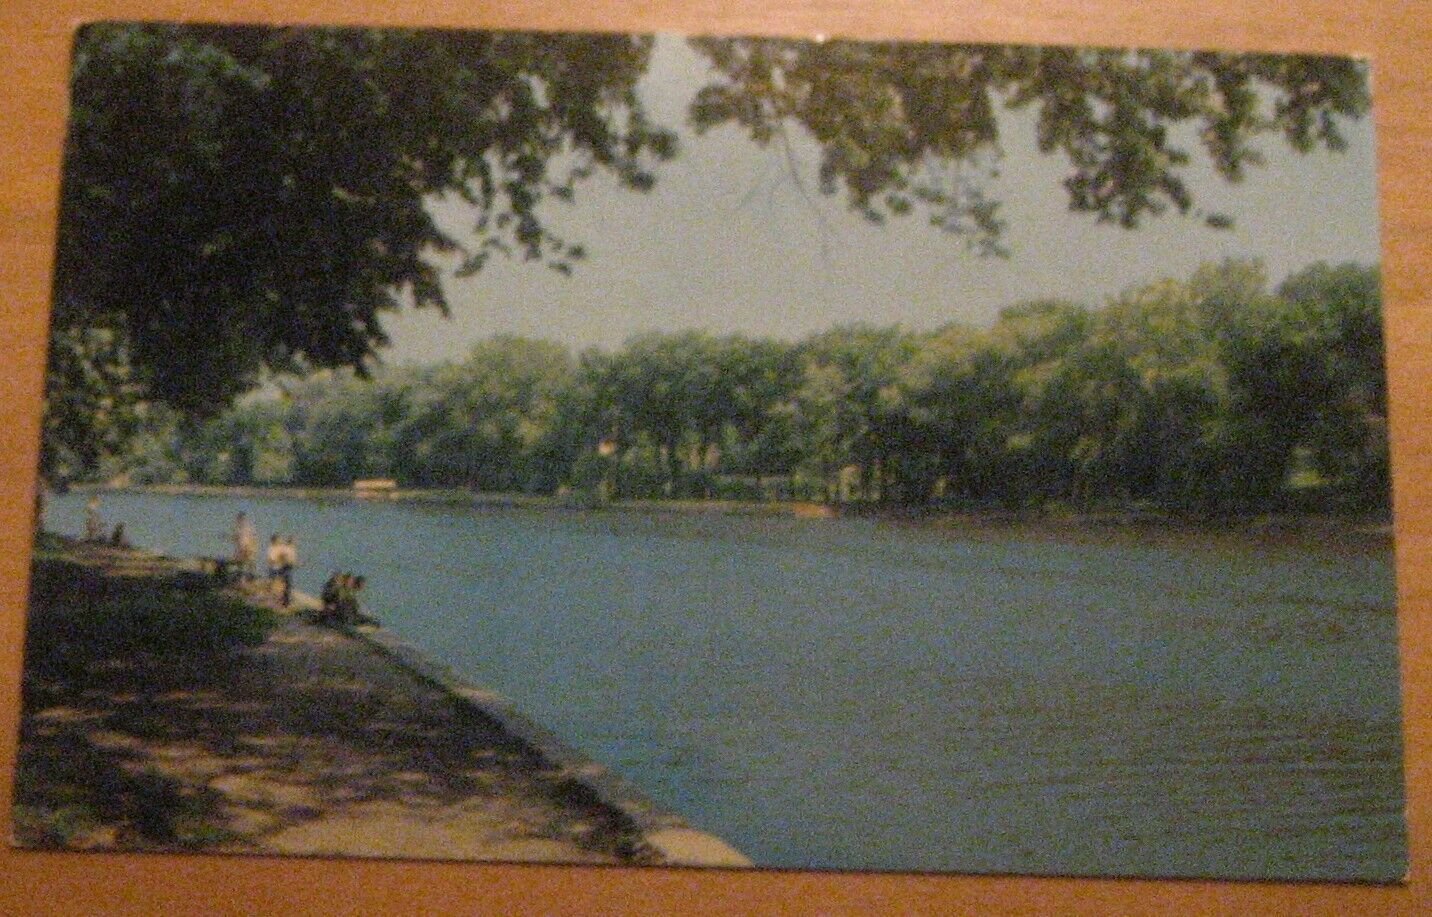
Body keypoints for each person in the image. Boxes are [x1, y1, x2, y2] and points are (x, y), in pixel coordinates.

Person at [233, 511, 258, 580]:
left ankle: (252, 578)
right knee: (240, 564)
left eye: (241, 519)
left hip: (248, 548)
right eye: (238, 519)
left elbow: (254, 539)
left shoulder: (249, 528)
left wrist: (252, 549)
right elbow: (236, 540)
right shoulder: (237, 529)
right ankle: (241, 579)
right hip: (240, 549)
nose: (239, 521)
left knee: (250, 564)